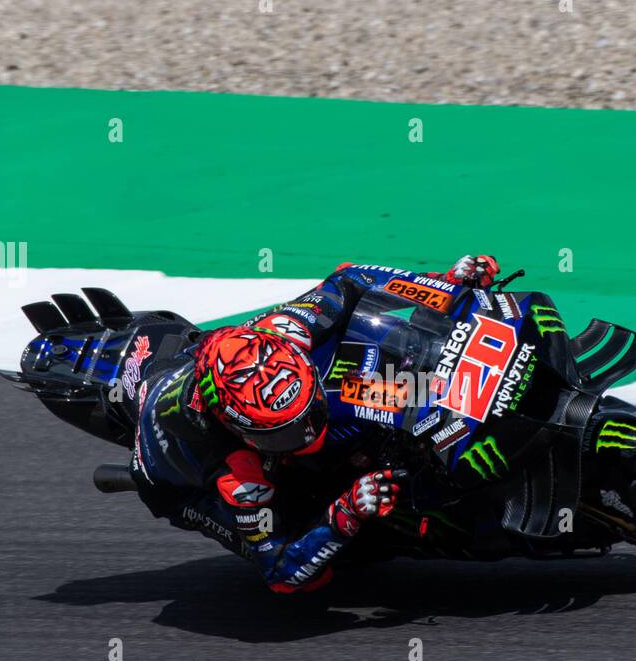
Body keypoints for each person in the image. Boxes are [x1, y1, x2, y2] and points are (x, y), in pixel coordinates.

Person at [130, 254, 500, 592]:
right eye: (287, 431)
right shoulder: (238, 478)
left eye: (308, 414)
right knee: (307, 554)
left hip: (203, 366)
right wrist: (346, 512)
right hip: (175, 484)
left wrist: (445, 284)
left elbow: (353, 278)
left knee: (369, 342)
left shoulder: (288, 329)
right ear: (241, 430)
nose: (308, 432)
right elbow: (282, 573)